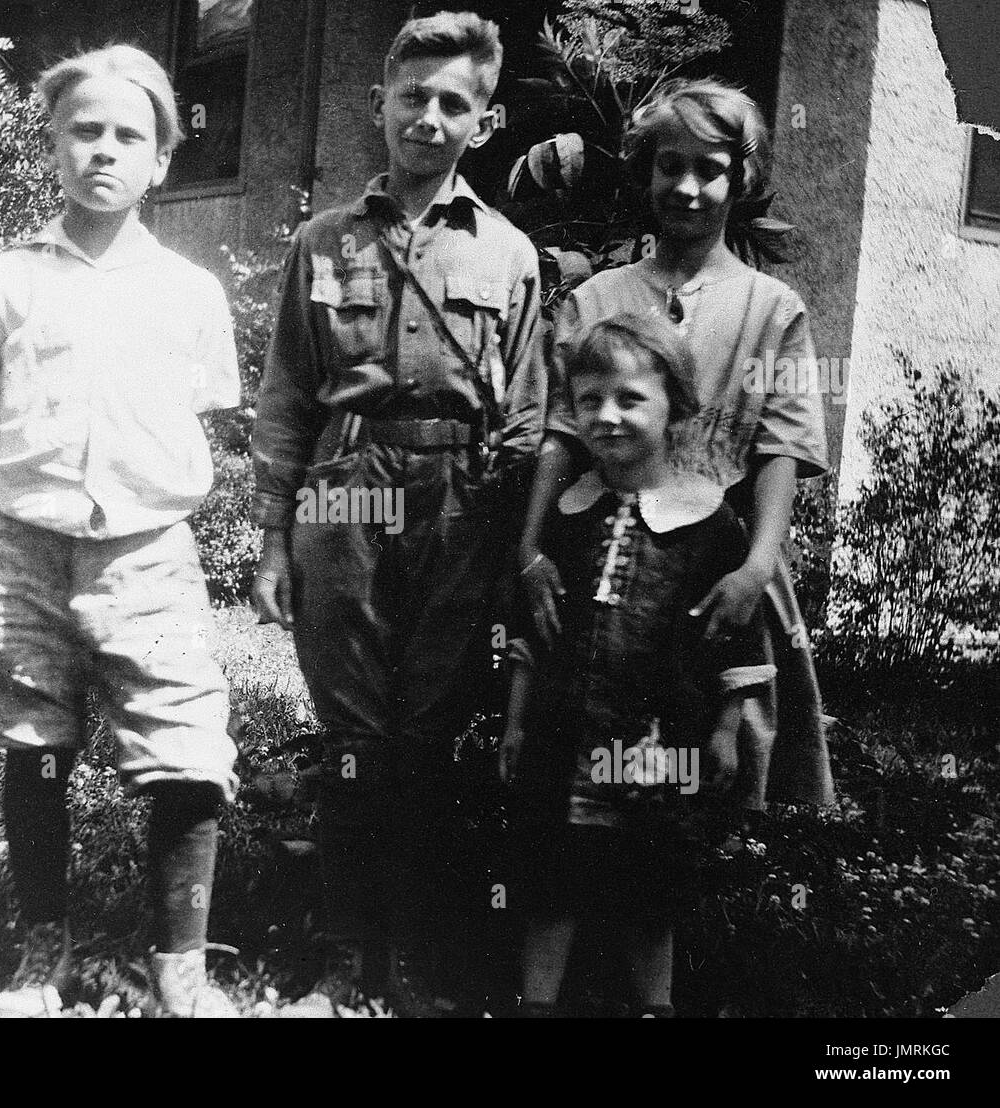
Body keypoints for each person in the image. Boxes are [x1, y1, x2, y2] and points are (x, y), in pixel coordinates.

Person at [0, 44, 242, 1018]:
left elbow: (205, 415)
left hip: (147, 552)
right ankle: (40, 954)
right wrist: (32, 488)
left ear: (161, 161)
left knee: (188, 755)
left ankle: (178, 965)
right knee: (38, 748)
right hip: (21, 547)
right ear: (54, 146)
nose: (104, 150)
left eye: (128, 135)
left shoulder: (189, 290)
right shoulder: (7, 281)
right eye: (85, 130)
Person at [250, 10, 548, 1016]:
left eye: (452, 102)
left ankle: (412, 958)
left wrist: (518, 546)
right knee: (350, 730)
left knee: (429, 727)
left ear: (485, 119)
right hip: (344, 481)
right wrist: (269, 536)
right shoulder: (321, 240)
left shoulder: (508, 253)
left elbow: (529, 411)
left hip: (460, 494)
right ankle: (346, 958)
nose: (428, 116)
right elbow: (290, 393)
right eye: (411, 96)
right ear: (379, 102)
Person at [517, 78, 835, 819]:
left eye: (710, 168)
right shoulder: (597, 299)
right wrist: (530, 549)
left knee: (706, 750)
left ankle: (673, 914)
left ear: (741, 177)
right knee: (580, 734)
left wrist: (757, 566)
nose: (687, 186)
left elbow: (780, 449)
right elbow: (561, 436)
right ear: (646, 170)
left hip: (714, 559)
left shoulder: (771, 309)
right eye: (670, 165)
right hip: (599, 546)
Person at [500, 311, 777, 1018]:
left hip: (661, 744)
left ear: (675, 407)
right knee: (551, 881)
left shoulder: (708, 522)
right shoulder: (567, 511)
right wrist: (515, 722)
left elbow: (734, 639)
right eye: (589, 400)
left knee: (649, 890)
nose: (607, 416)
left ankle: (655, 1007)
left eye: (630, 399)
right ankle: (537, 1005)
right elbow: (537, 632)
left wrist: (722, 729)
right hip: (563, 736)